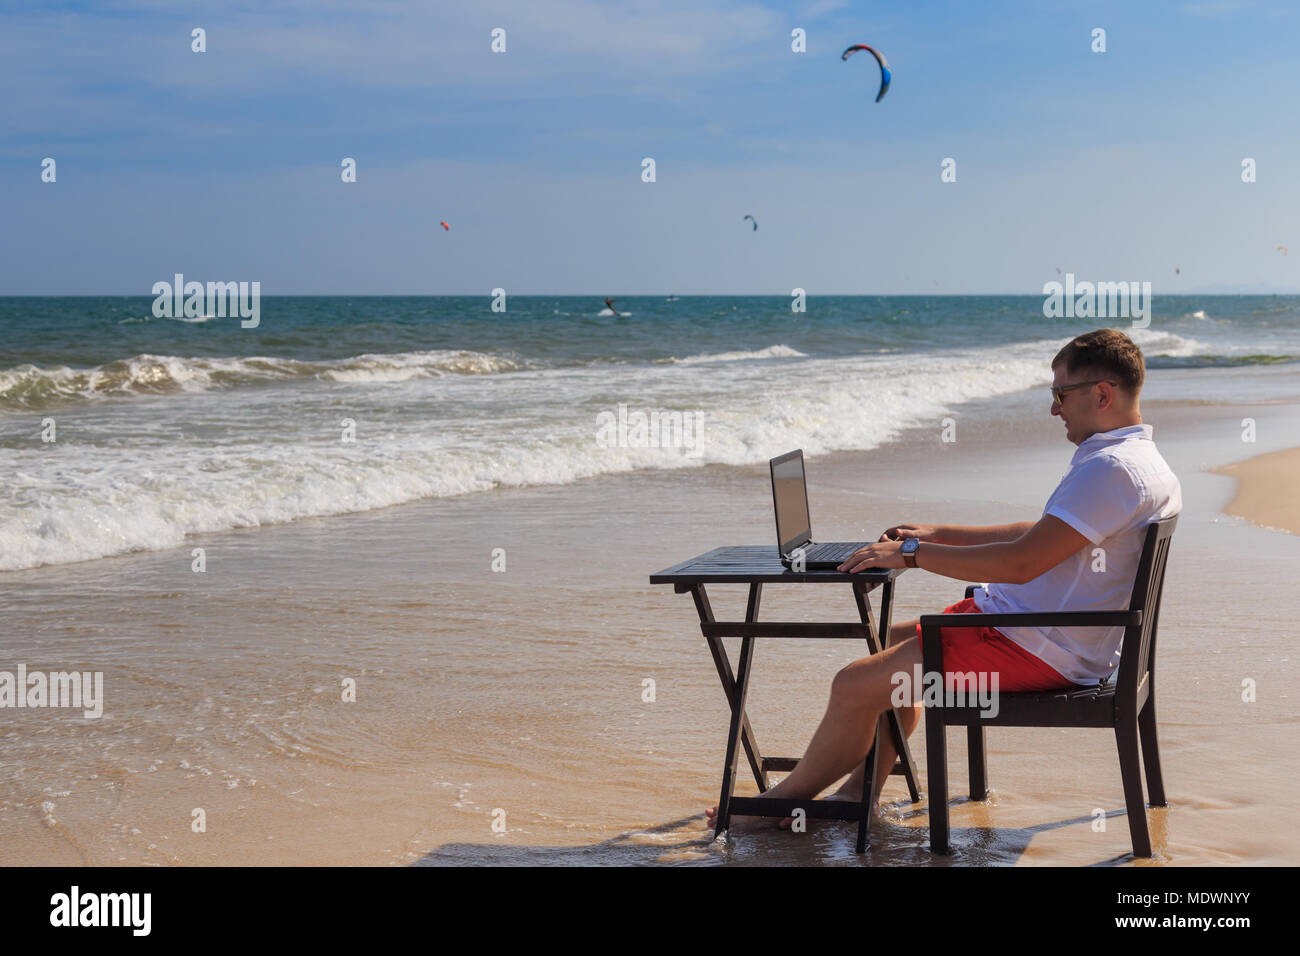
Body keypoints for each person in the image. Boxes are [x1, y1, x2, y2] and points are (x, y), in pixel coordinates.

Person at [706, 328, 1182, 830]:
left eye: (1060, 394)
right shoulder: (1134, 461)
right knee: (885, 641)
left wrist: (912, 555)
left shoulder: (1110, 469)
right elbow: (1041, 535)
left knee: (853, 684)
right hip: (1046, 632)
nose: (1054, 409)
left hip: (1041, 648)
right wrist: (937, 533)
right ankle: (854, 794)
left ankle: (783, 802)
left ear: (1102, 394)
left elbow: (1021, 563)